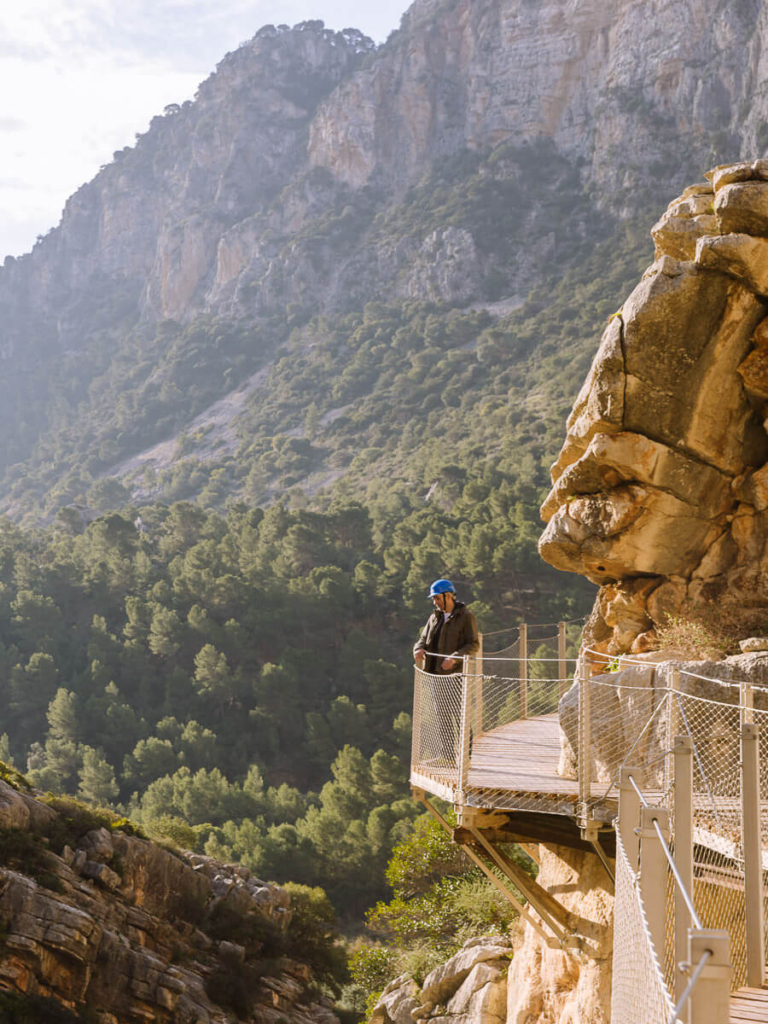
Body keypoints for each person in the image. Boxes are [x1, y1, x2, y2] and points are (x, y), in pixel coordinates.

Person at [413, 579, 479, 763]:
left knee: (460, 717)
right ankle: (448, 757)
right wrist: (418, 649)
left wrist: (454, 658)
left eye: (437, 598)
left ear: (448, 596)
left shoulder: (466, 616)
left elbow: (473, 644)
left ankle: (465, 758)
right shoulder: (434, 617)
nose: (435, 602)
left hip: (456, 675)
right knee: (442, 715)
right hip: (436, 675)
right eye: (433, 599)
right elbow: (422, 639)